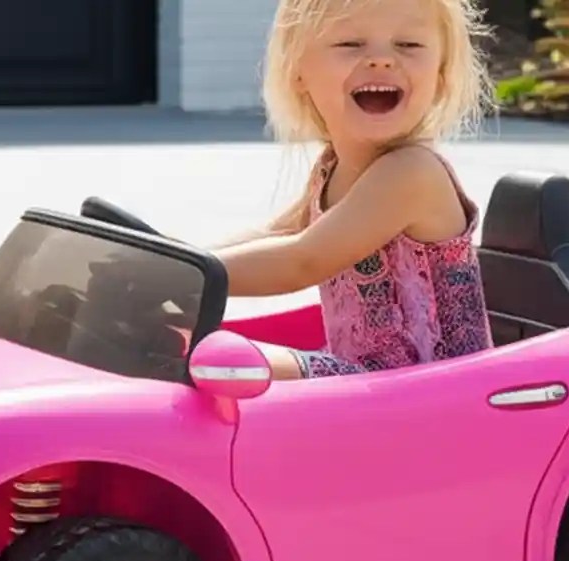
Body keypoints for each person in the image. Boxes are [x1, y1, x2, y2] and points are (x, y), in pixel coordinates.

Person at [211, 0, 496, 380]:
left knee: (219, 365)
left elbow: (303, 260)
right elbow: (277, 235)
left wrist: (188, 276)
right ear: (299, 71)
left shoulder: (411, 173)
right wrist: (175, 258)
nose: (381, 60)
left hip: (431, 390)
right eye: (350, 44)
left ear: (441, 74)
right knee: (201, 354)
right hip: (366, 380)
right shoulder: (333, 166)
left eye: (408, 45)